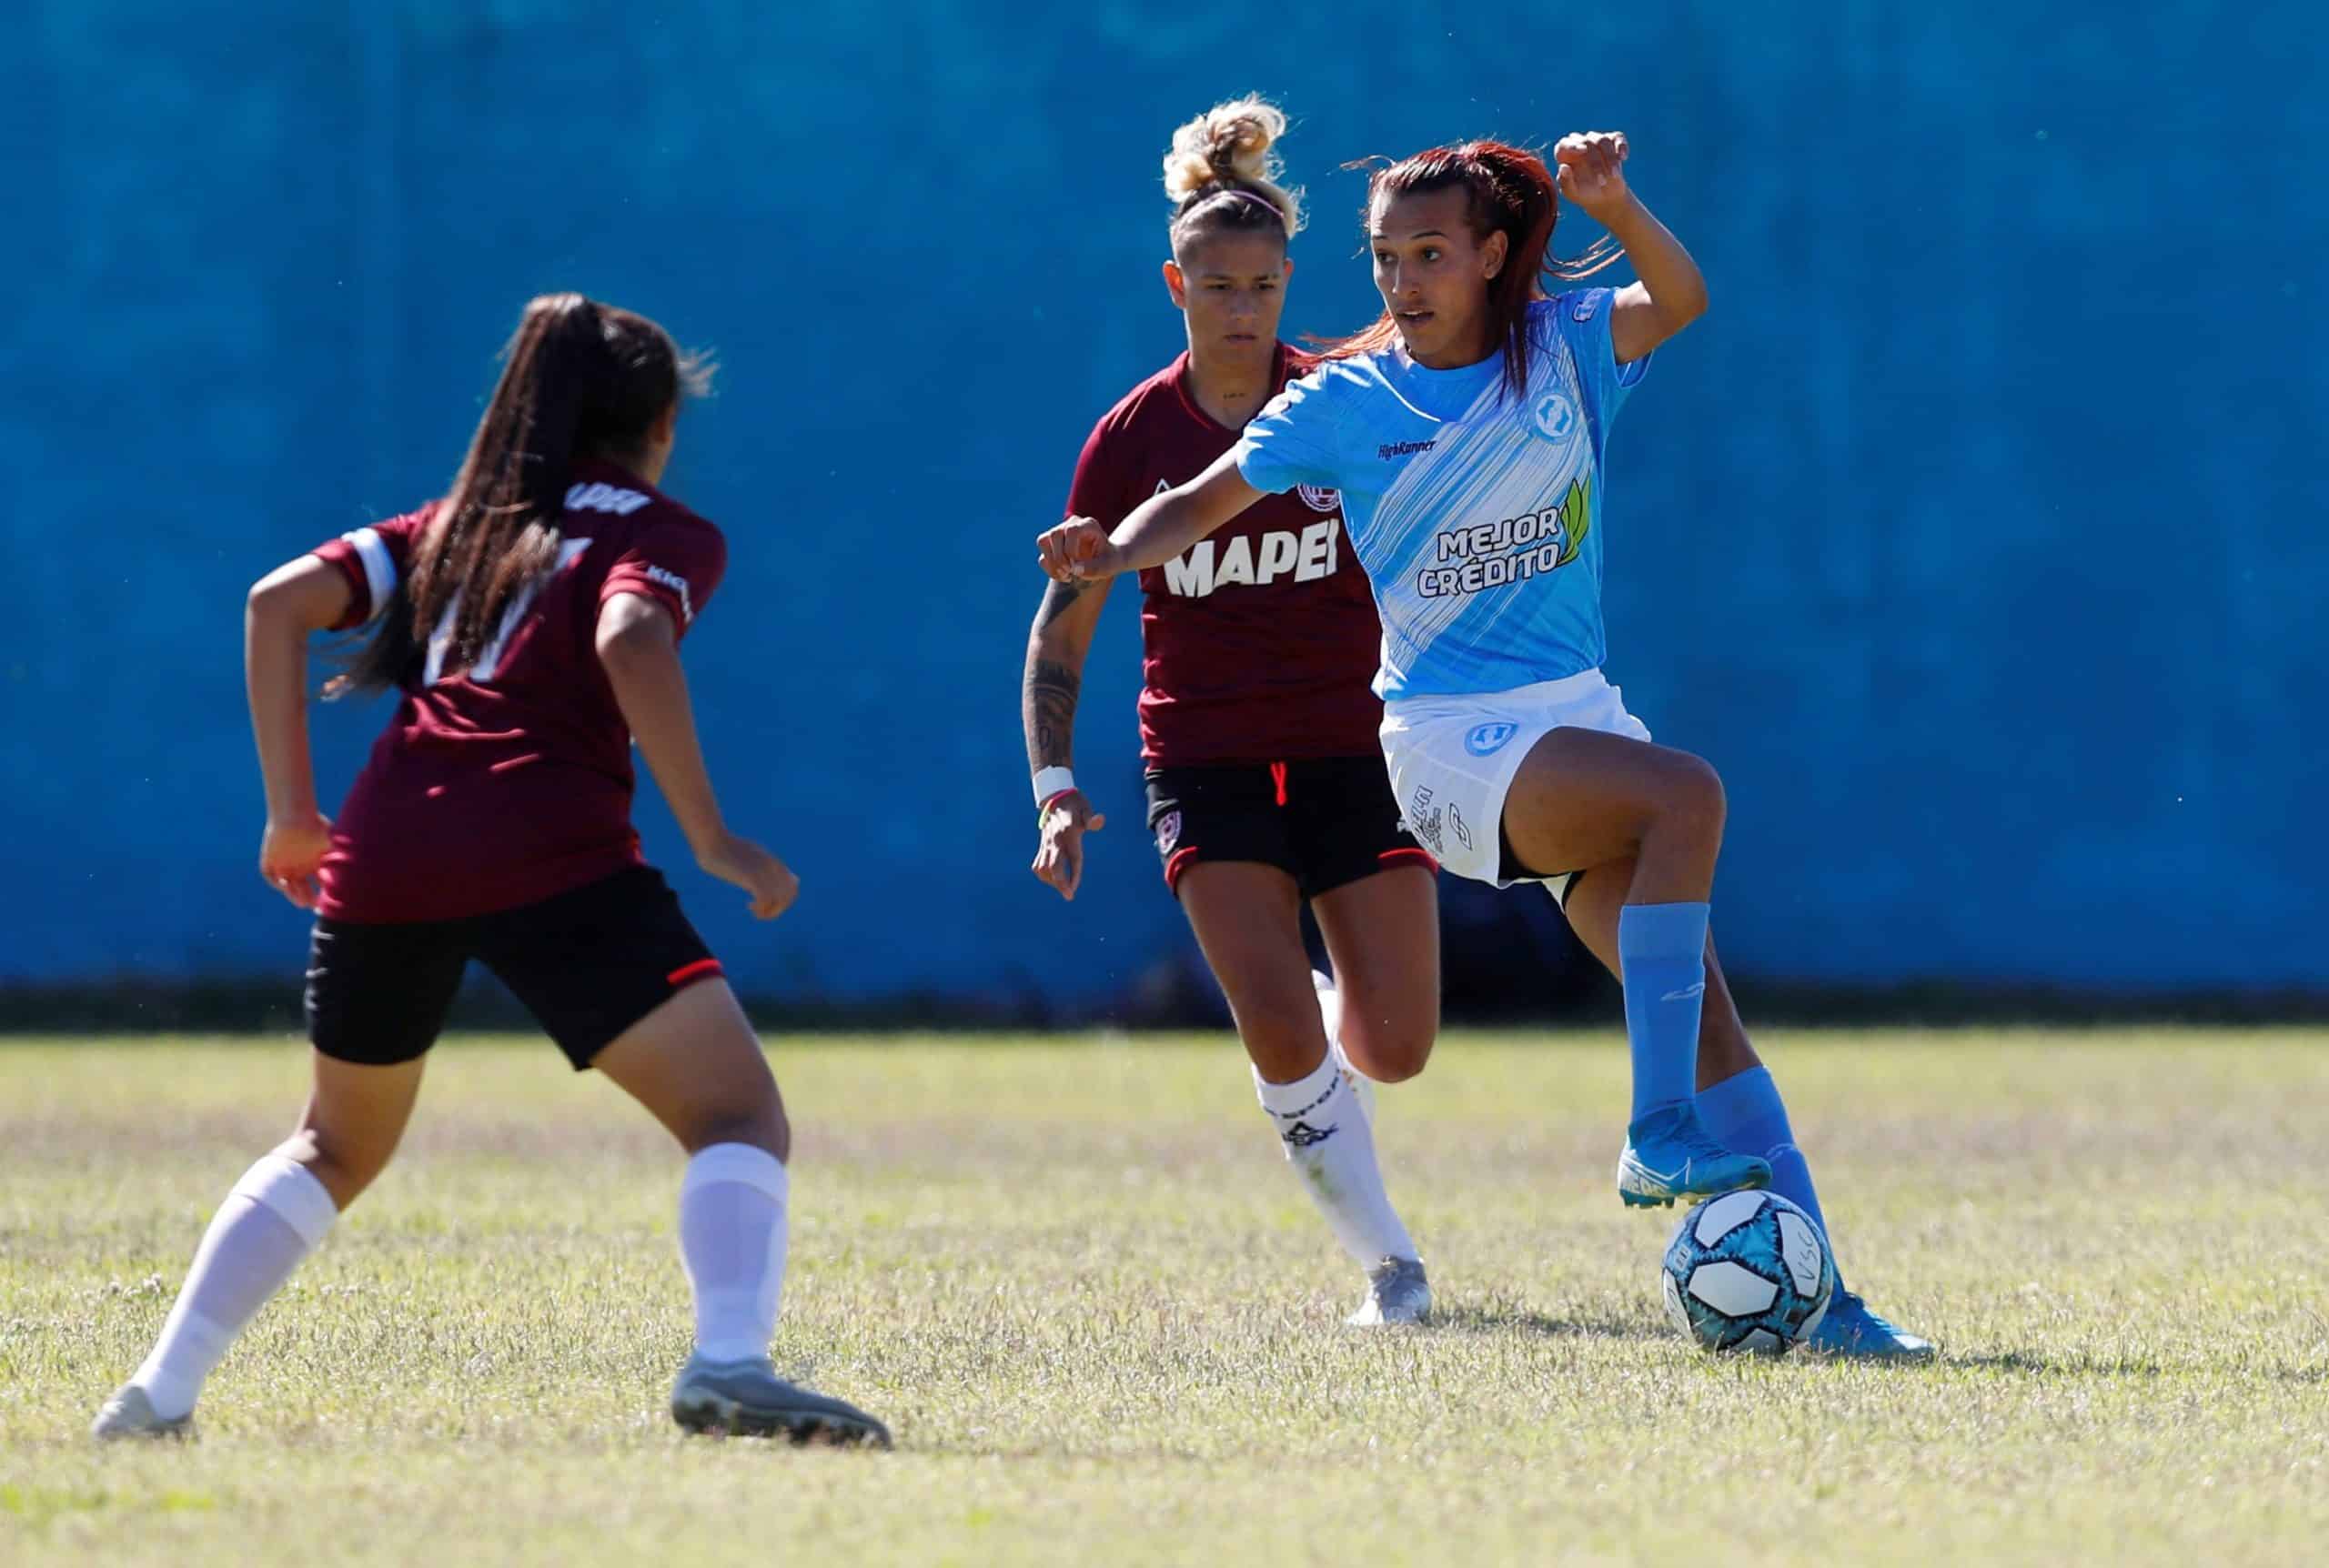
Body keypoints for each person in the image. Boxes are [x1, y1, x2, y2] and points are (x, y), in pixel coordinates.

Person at [1038, 135, 1932, 1357]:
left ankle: (1829, 1307)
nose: (1402, 280)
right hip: (1447, 752)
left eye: (1429, 254)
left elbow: (1683, 299)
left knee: (1716, 1021)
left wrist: (1615, 203)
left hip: (1576, 724)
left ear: (1493, 253)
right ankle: (1657, 1121)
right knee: (1689, 800)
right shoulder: (1345, 403)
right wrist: (1113, 547)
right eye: (1383, 258)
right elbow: (1196, 503)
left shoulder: (1562, 347)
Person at [93, 294, 895, 1441]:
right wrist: (712, 835)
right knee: (735, 1114)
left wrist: (288, 815)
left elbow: (275, 603)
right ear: (659, 422)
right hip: (546, 848)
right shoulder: (662, 532)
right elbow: (629, 637)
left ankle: (155, 1394)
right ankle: (728, 1359)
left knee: (333, 1144)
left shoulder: (456, 527)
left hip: (390, 841)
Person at [1022, 97, 1440, 1325]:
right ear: (1177, 284)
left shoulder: (1339, 408)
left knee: (1397, 1046)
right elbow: (1065, 621)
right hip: (1202, 760)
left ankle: (1324, 1024)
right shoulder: (1133, 438)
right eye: (1217, 285)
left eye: (1262, 284)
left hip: (1355, 756)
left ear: (1287, 281)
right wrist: (1054, 789)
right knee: (1267, 1010)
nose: (1242, 306)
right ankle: (1392, 1271)